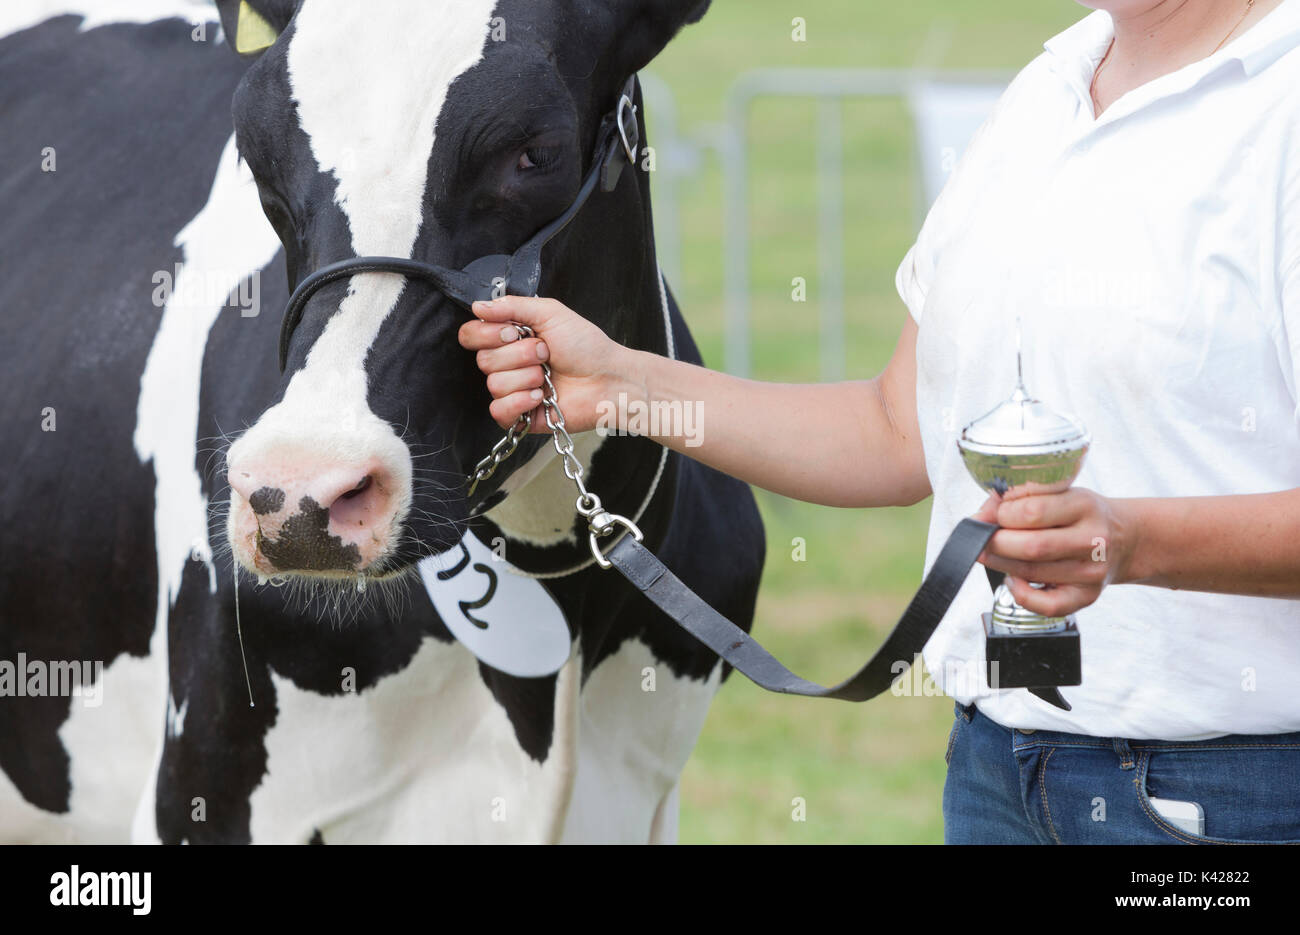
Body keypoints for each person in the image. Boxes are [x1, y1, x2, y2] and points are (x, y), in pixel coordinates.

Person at [459, 0, 1300, 844]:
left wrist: (1132, 542)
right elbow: (896, 429)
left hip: (1230, 794)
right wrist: (617, 382)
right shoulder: (1046, 92)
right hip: (995, 773)